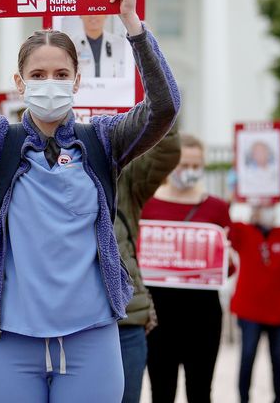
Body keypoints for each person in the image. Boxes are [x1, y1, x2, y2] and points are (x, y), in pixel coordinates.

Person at [0, 0, 179, 403]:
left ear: (77, 81)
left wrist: (132, 23)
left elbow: (164, 107)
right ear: (20, 83)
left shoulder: (103, 139)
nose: (50, 84)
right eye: (38, 75)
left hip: (92, 336)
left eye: (62, 75)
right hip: (10, 340)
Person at [142, 134, 231, 403]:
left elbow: (227, 268)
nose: (190, 172)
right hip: (158, 314)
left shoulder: (217, 208)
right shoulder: (147, 204)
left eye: (196, 165)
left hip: (203, 314)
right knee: (161, 391)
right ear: (170, 164)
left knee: (201, 391)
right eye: (184, 165)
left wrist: (229, 257)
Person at [115, 128, 182, 403]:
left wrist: (151, 92)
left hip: (127, 320)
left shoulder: (122, 178)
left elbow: (165, 152)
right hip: (68, 324)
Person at [231, 196, 280, 403]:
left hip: (278, 309)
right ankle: (244, 398)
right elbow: (226, 227)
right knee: (247, 356)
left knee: (277, 359)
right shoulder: (244, 231)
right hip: (249, 309)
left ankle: (278, 398)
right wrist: (243, 202)